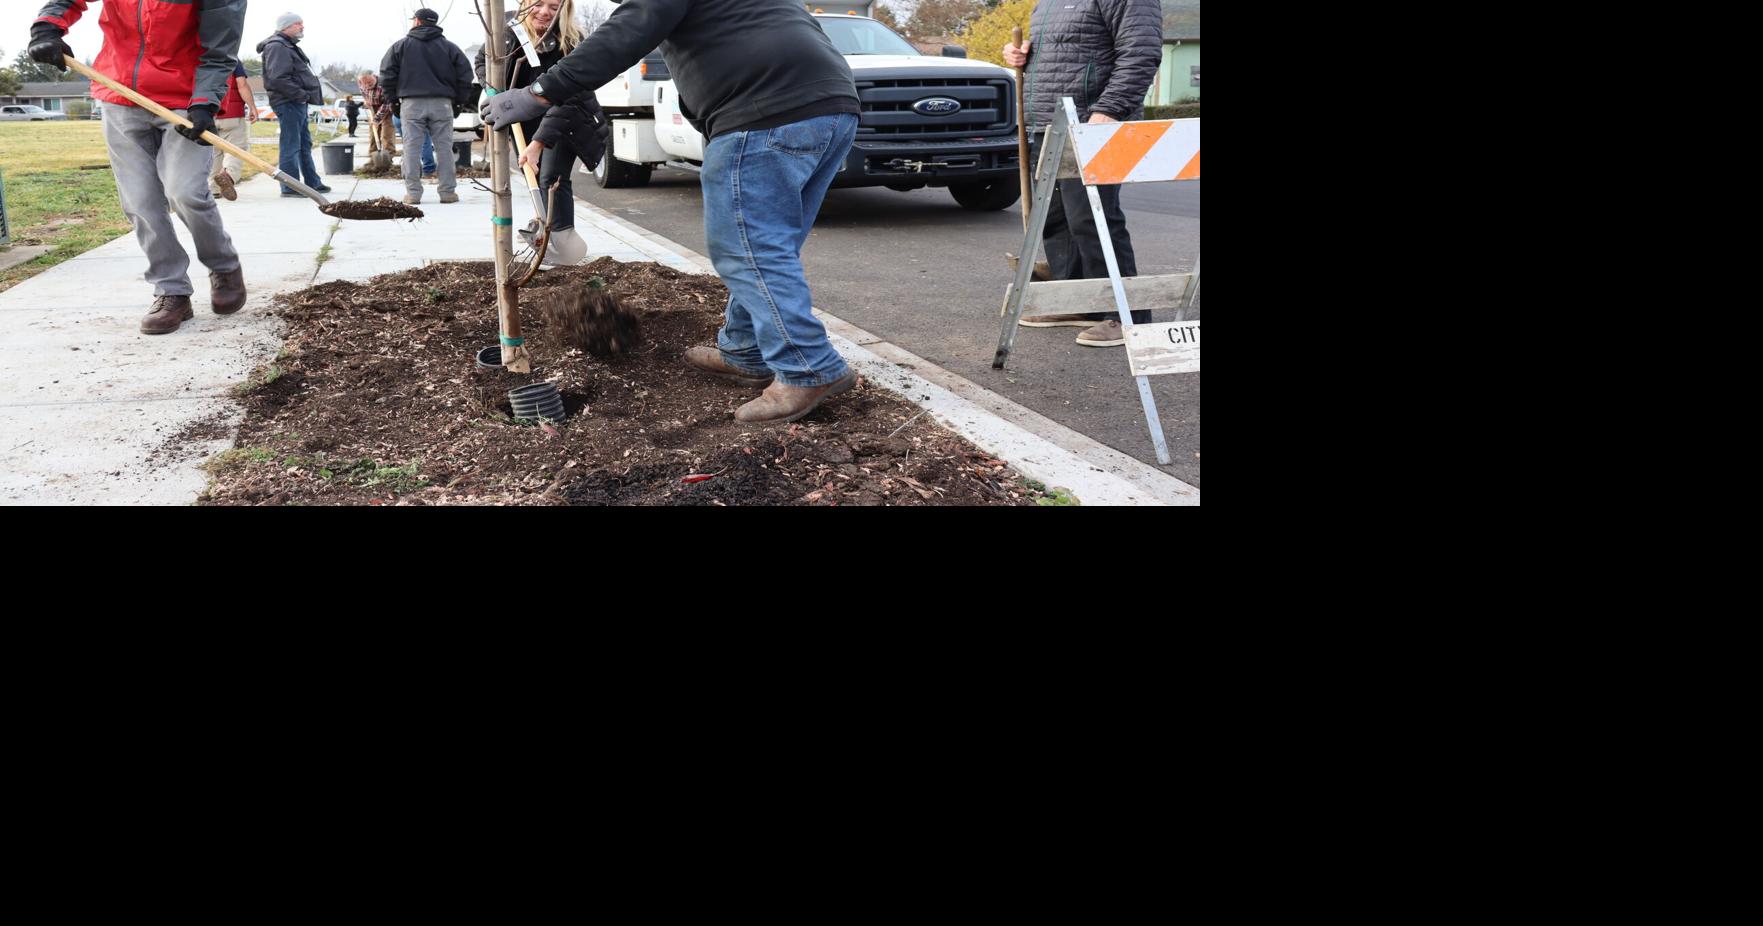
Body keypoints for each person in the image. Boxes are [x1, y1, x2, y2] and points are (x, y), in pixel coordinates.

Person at [483, 0, 860, 424]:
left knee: (747, 250)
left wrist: (538, 93)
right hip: (830, 106)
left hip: (764, 112)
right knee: (767, 243)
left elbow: (623, 37)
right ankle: (746, 349)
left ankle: (807, 367)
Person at [29, 0, 249, 335]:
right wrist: (47, 26)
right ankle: (171, 290)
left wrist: (206, 102)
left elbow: (219, 52)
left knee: (185, 191)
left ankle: (223, 265)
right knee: (140, 201)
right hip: (119, 96)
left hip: (184, 100)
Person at [1003, 0, 1161, 347]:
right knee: (1056, 218)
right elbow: (1068, 54)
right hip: (1051, 121)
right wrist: (1021, 56)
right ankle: (1076, 301)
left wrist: (1110, 109)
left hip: (1094, 121)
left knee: (1093, 219)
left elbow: (1142, 52)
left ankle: (1125, 315)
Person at [473, 0, 607, 266]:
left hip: (566, 119)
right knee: (532, 174)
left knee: (552, 178)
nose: (545, 12)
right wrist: (494, 91)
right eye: (539, 3)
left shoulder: (572, 40)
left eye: (554, 6)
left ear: (563, 11)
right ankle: (545, 224)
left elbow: (568, 98)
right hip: (523, 118)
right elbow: (483, 60)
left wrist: (537, 143)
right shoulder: (506, 31)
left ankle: (561, 238)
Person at [380, 7, 473, 204]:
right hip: (443, 103)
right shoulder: (450, 48)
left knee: (411, 148)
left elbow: (387, 75)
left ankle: (413, 193)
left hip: (411, 103)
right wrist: (458, 103)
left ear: (418, 22)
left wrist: (394, 101)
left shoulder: (400, 47)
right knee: (444, 148)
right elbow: (465, 76)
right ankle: (447, 193)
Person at [258, 12, 331, 198]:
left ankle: (312, 183)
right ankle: (289, 186)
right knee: (291, 145)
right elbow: (277, 78)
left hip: (295, 102)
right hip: (288, 102)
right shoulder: (278, 46)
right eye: (298, 23)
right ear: (286, 26)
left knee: (304, 143)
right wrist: (301, 95)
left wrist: (302, 97)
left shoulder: (286, 45)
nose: (302, 27)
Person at [209, 60, 257, 201]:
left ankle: (213, 189)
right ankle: (228, 175)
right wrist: (252, 106)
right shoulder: (231, 58)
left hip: (208, 113)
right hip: (232, 113)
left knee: (214, 152)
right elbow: (241, 85)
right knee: (235, 149)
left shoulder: (200, 55)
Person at [359, 71, 396, 159]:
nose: (367, 85)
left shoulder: (384, 83)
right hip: (373, 108)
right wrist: (366, 100)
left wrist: (376, 119)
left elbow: (387, 104)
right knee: (373, 133)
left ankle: (388, 158)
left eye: (370, 82)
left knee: (386, 135)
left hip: (387, 109)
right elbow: (363, 92)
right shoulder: (361, 82)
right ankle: (373, 157)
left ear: (374, 77)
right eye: (365, 83)